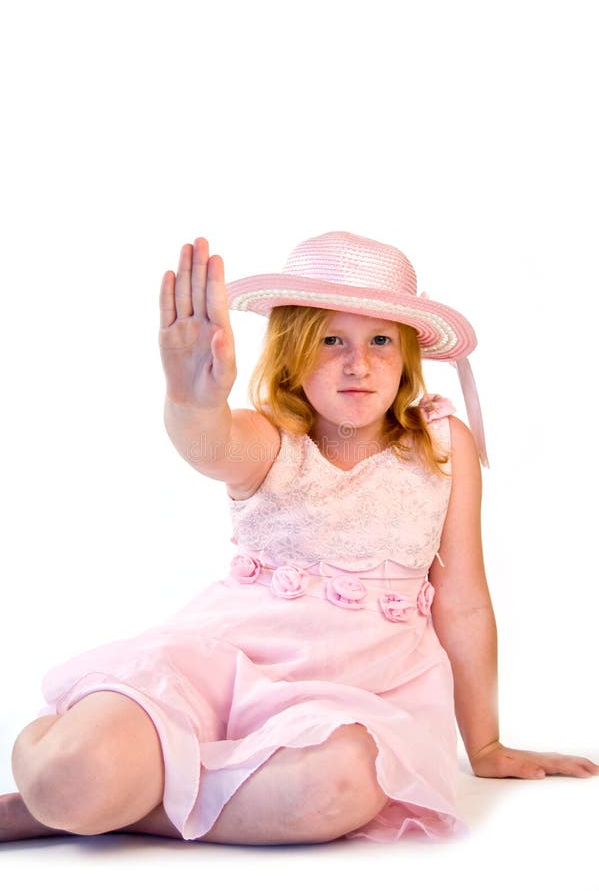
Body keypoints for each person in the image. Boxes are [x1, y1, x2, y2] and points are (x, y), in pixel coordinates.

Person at [1, 231, 597, 846]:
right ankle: (70, 794)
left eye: (380, 340)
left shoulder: (443, 444)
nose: (357, 363)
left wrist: (486, 743)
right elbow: (208, 446)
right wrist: (189, 399)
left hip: (357, 695)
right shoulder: (271, 438)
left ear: (409, 353)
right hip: (226, 669)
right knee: (65, 774)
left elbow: (464, 599)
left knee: (340, 784)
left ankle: (114, 807)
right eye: (331, 339)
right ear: (293, 352)